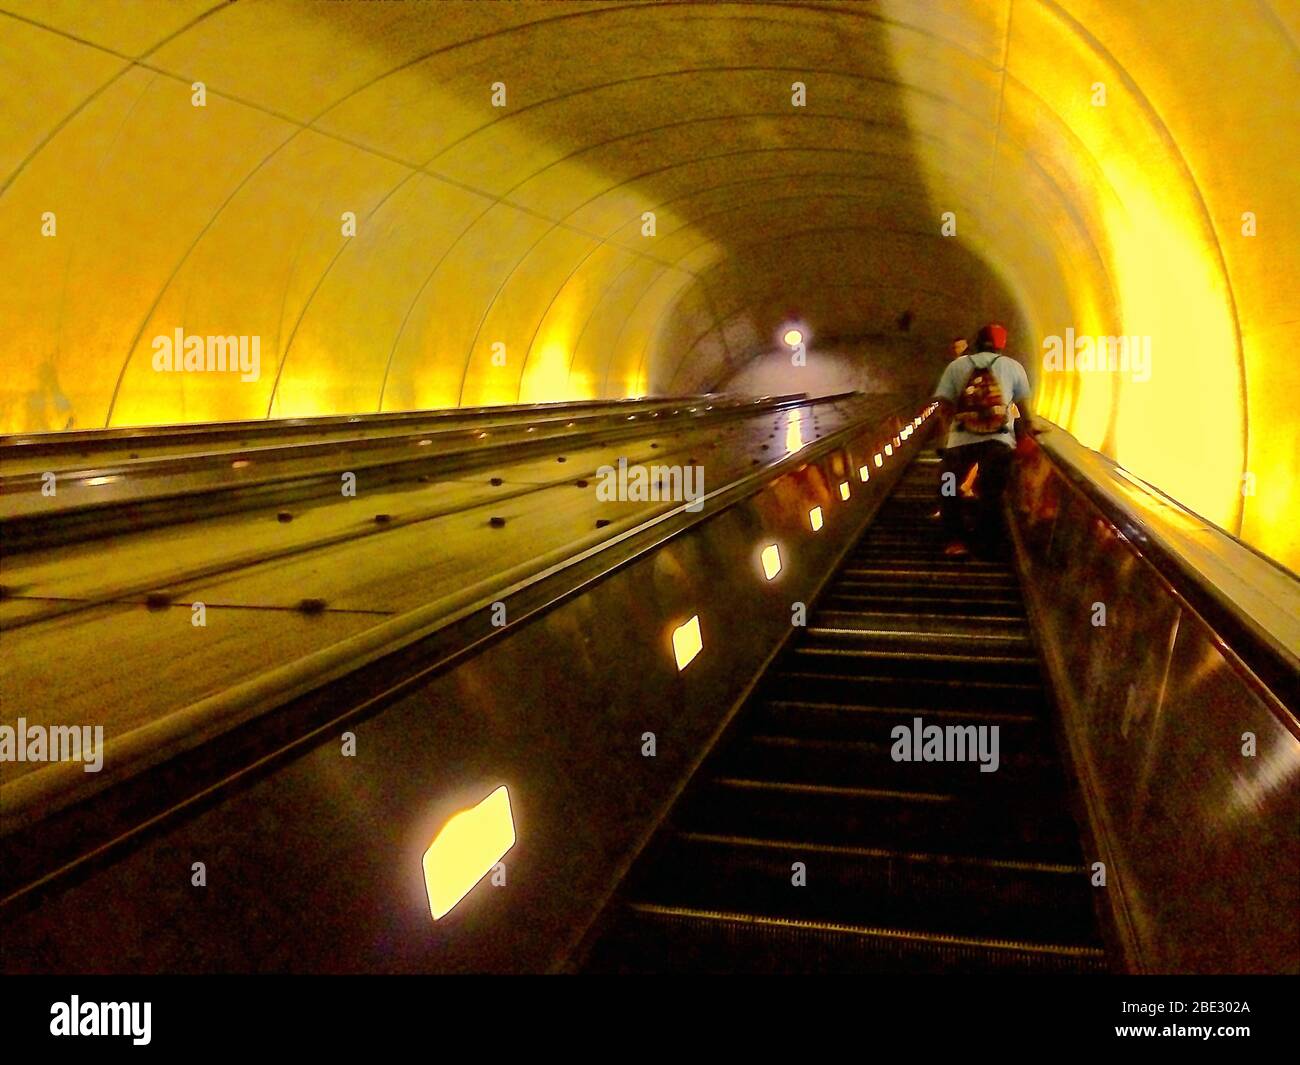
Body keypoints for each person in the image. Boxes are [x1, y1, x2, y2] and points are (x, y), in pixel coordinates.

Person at [930, 323, 1035, 558]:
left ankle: (954, 540)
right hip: (999, 443)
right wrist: (1030, 431)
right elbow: (1025, 412)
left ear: (974, 342)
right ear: (1001, 345)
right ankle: (986, 543)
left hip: (959, 443)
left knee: (947, 487)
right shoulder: (1013, 367)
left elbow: (944, 407)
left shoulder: (956, 366)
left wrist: (946, 438)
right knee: (991, 492)